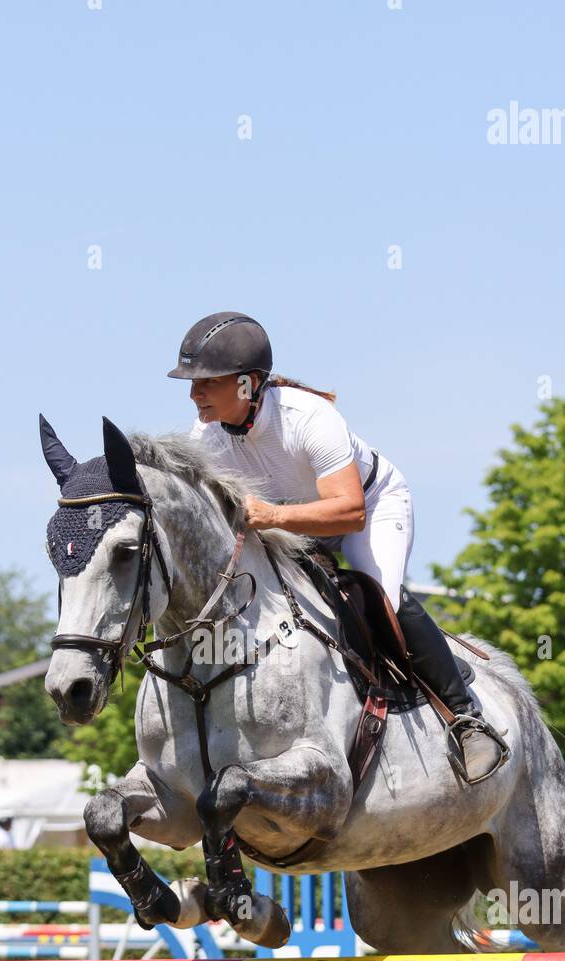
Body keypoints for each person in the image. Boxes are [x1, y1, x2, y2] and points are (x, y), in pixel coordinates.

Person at [169, 311, 509, 783]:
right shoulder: (205, 436)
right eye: (191, 382)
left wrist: (272, 516)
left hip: (367, 504)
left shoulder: (308, 417)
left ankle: (467, 718)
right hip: (294, 519)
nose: (193, 394)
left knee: (379, 595)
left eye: (206, 382)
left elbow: (349, 513)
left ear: (247, 385)